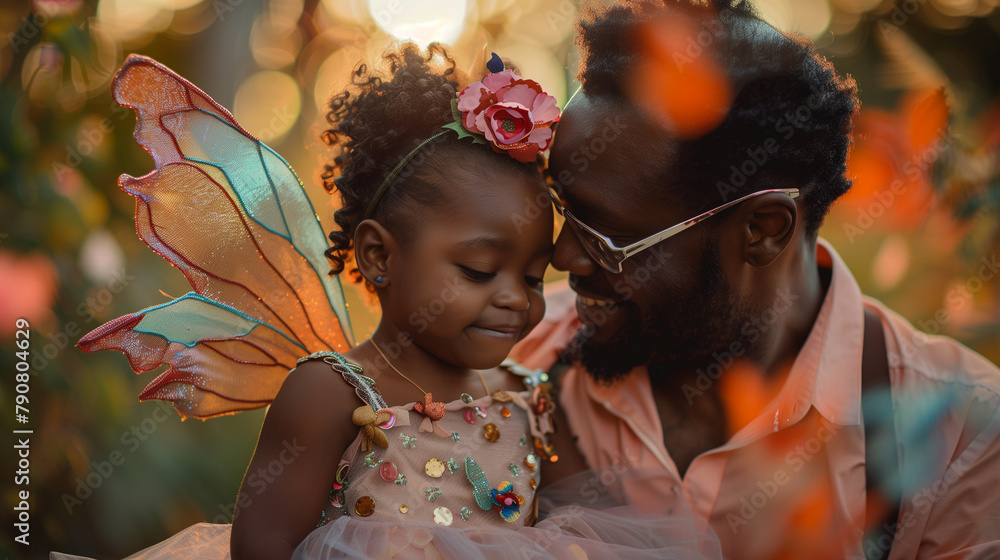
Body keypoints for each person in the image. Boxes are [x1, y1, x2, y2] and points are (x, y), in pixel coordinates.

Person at [59, 45, 720, 560]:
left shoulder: (528, 393)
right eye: (479, 269)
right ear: (379, 256)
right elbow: (261, 542)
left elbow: (576, 521)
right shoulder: (331, 390)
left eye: (529, 276)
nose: (514, 301)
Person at [511, 1, 1000, 558]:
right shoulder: (510, 359)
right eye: (561, 208)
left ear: (763, 229)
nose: (562, 257)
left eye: (608, 237)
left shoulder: (964, 437)